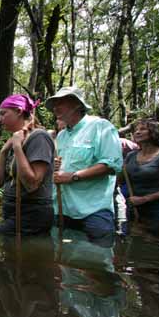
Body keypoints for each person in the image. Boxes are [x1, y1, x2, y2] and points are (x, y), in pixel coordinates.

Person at [46, 86, 122, 238]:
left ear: (77, 104)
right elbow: (66, 166)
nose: (55, 107)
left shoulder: (101, 126)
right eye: (54, 103)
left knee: (98, 258)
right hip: (62, 210)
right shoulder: (61, 136)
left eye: (61, 102)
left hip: (93, 211)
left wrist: (73, 176)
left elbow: (112, 164)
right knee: (63, 258)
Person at [0, 94, 55, 235]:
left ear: (19, 111)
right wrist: (4, 152)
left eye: (3, 114)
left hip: (31, 214)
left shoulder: (39, 137)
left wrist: (17, 148)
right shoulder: (15, 139)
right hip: (13, 212)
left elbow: (32, 184)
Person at [123, 119, 159, 223]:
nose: (137, 132)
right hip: (133, 210)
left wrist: (144, 199)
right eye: (136, 130)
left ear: (155, 132)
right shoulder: (130, 156)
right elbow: (121, 180)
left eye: (143, 129)